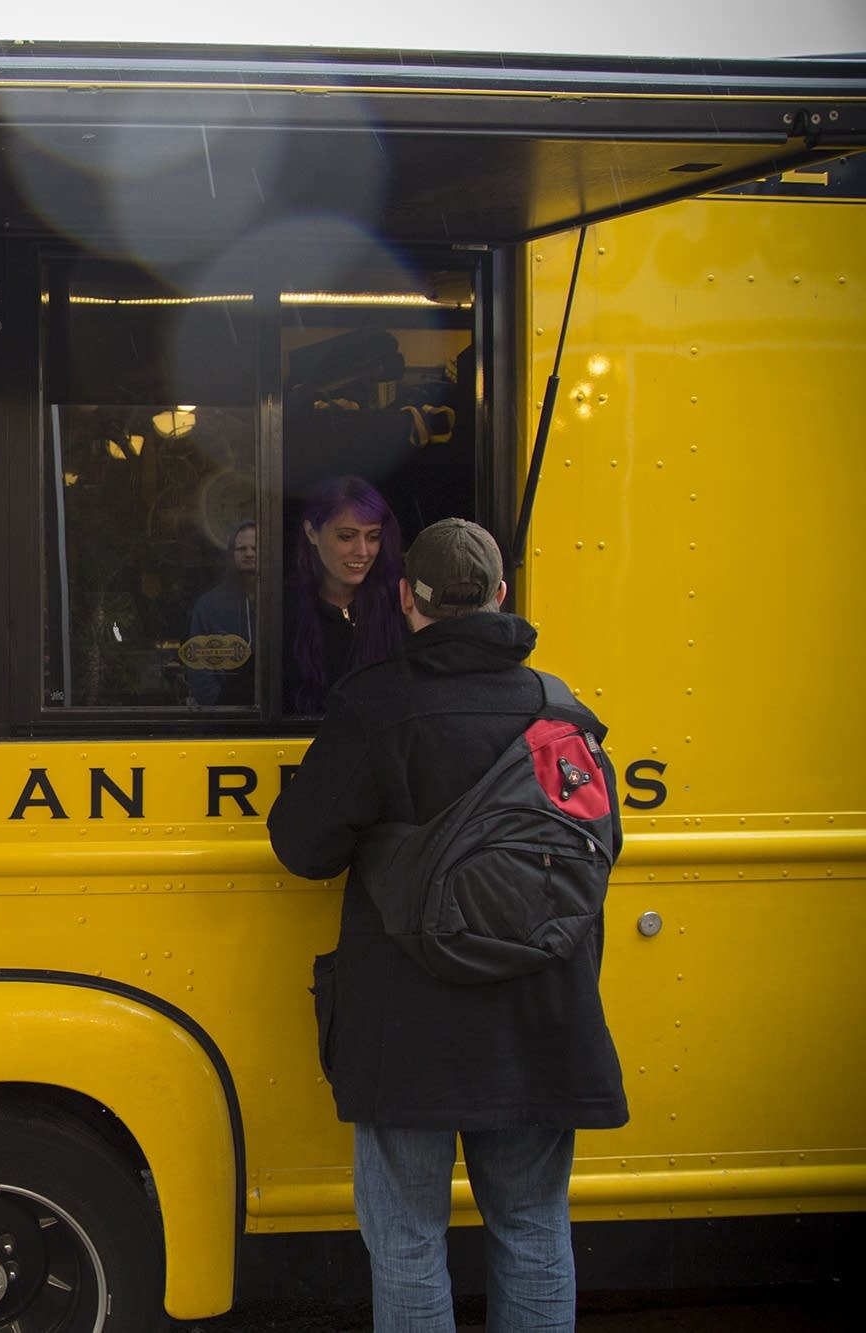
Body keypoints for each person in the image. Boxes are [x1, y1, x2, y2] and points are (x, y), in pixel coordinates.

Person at [266, 518, 627, 1332]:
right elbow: (599, 850)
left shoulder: (374, 706)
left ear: (405, 596)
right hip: (541, 1015)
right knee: (534, 1227)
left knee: (406, 1239)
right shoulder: (561, 712)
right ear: (501, 595)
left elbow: (303, 847)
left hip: (408, 1024)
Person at [288, 475, 404, 715]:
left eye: (373, 537)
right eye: (347, 536)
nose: (362, 551)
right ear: (312, 533)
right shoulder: (284, 613)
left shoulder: (402, 609)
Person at [186, 520, 258, 706]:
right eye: (242, 549)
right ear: (231, 554)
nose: (249, 554)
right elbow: (198, 666)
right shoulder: (209, 606)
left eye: (255, 548)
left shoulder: (284, 600)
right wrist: (220, 707)